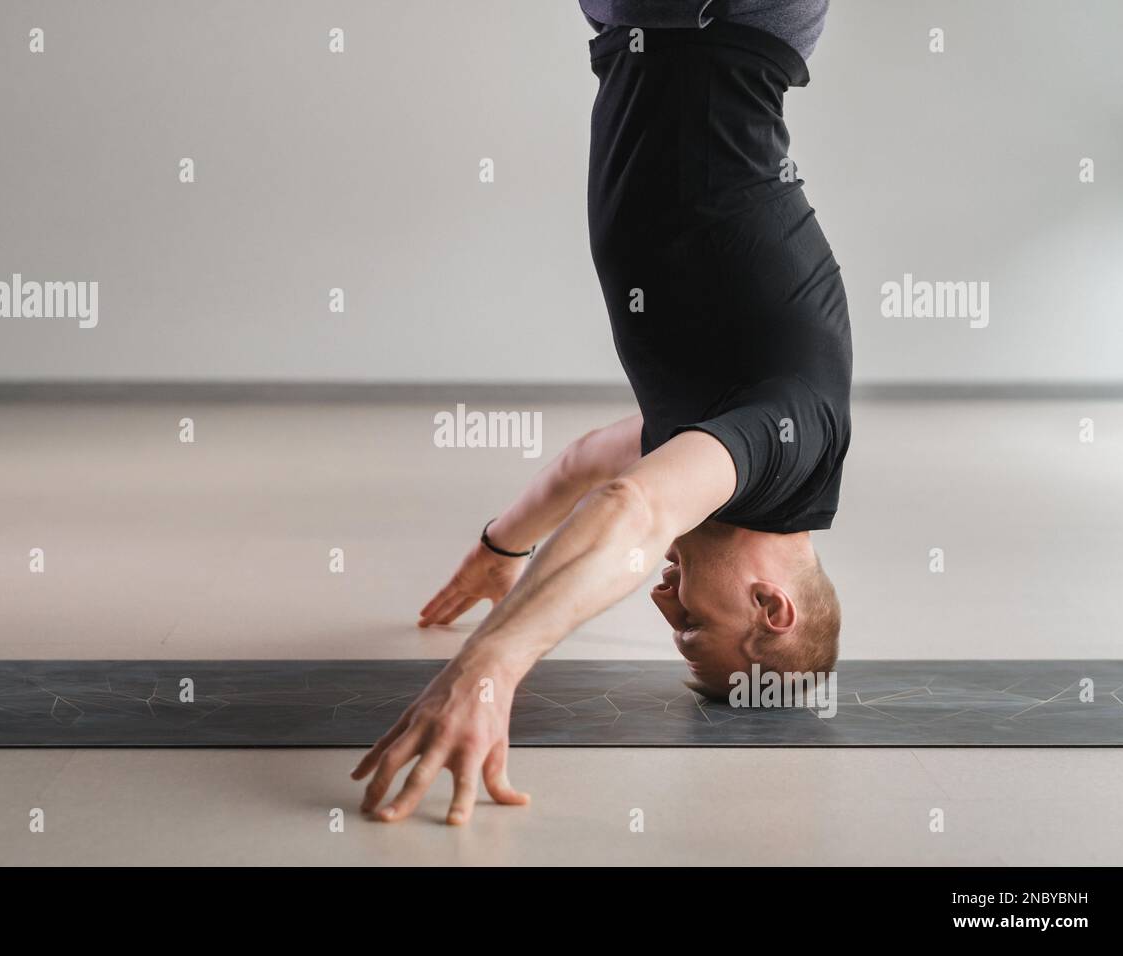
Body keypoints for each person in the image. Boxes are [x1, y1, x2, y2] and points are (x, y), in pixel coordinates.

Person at [352, 0, 851, 824]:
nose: (664, 602)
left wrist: (501, 546)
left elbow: (591, 465)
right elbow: (628, 507)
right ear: (771, 606)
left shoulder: (726, 457)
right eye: (692, 627)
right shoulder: (788, 449)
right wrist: (492, 666)